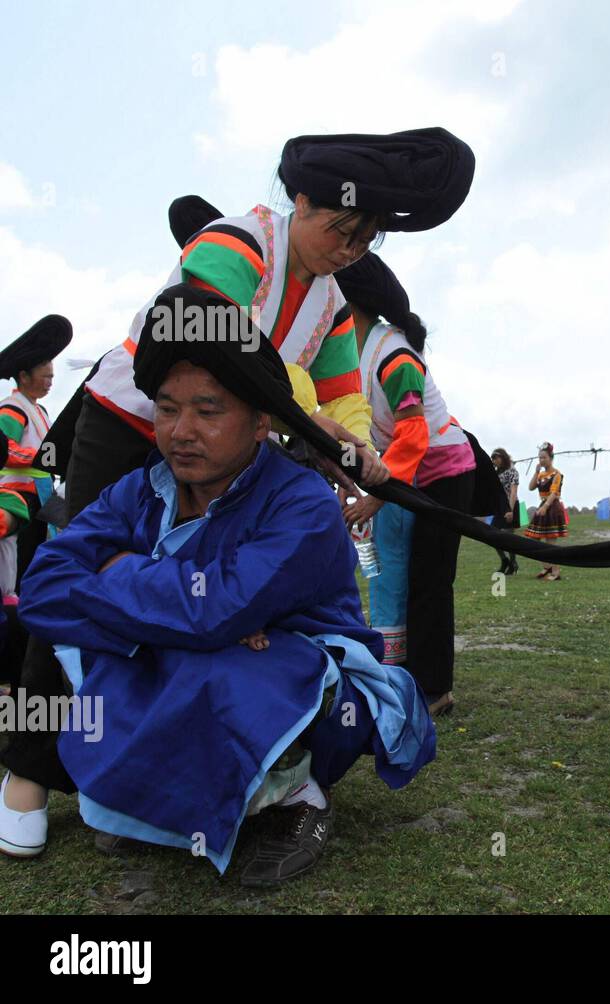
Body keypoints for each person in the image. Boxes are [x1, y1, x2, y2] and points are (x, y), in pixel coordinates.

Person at [0, 128, 473, 825]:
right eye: (339, 229)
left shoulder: (333, 301)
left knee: (209, 599)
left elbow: (341, 395)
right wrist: (317, 428)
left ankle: (157, 770)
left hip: (229, 441)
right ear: (301, 201)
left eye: (363, 240)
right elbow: (213, 338)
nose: (347, 249)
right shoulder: (238, 240)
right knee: (78, 567)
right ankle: (27, 776)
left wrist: (360, 459)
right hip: (131, 422)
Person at [0, 285, 437, 882]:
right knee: (109, 644)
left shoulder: (301, 501)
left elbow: (216, 609)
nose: (181, 431)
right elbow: (45, 585)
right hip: (199, 657)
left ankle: (294, 792)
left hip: (296, 680)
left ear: (261, 422)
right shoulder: (138, 488)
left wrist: (118, 574)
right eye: (167, 408)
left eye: (208, 411)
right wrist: (175, 607)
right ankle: (167, 796)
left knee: (222, 665)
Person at [336, 251, 475, 717]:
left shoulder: (393, 353)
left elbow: (412, 430)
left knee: (431, 580)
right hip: (409, 475)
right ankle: (406, 673)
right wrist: (347, 479)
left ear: (345, 300)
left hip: (446, 475)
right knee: (401, 576)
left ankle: (436, 689)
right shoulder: (350, 353)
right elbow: (356, 428)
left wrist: (377, 496)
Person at [0, 316, 72, 597]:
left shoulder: (40, 411)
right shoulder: (12, 408)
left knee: (68, 535)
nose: (50, 382)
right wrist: (41, 457)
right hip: (19, 492)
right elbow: (4, 449)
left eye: (53, 377)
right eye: (45, 376)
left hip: (44, 492)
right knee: (24, 553)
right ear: (24, 376)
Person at [524, 443, 566, 579]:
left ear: (551, 458)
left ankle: (556, 571)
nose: (541, 460)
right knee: (535, 539)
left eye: (544, 458)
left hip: (552, 507)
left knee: (550, 541)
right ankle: (546, 567)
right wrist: (536, 472)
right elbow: (531, 487)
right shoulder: (541, 474)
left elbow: (554, 493)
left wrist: (545, 507)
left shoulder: (557, 474)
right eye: (540, 458)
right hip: (543, 505)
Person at [491, 448, 520, 575]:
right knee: (491, 535)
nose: (495, 461)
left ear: (503, 457)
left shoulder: (513, 471)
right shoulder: (495, 473)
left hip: (511, 505)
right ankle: (504, 560)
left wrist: (510, 510)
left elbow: (513, 492)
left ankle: (513, 563)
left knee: (508, 537)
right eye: (493, 459)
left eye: (496, 458)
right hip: (499, 507)